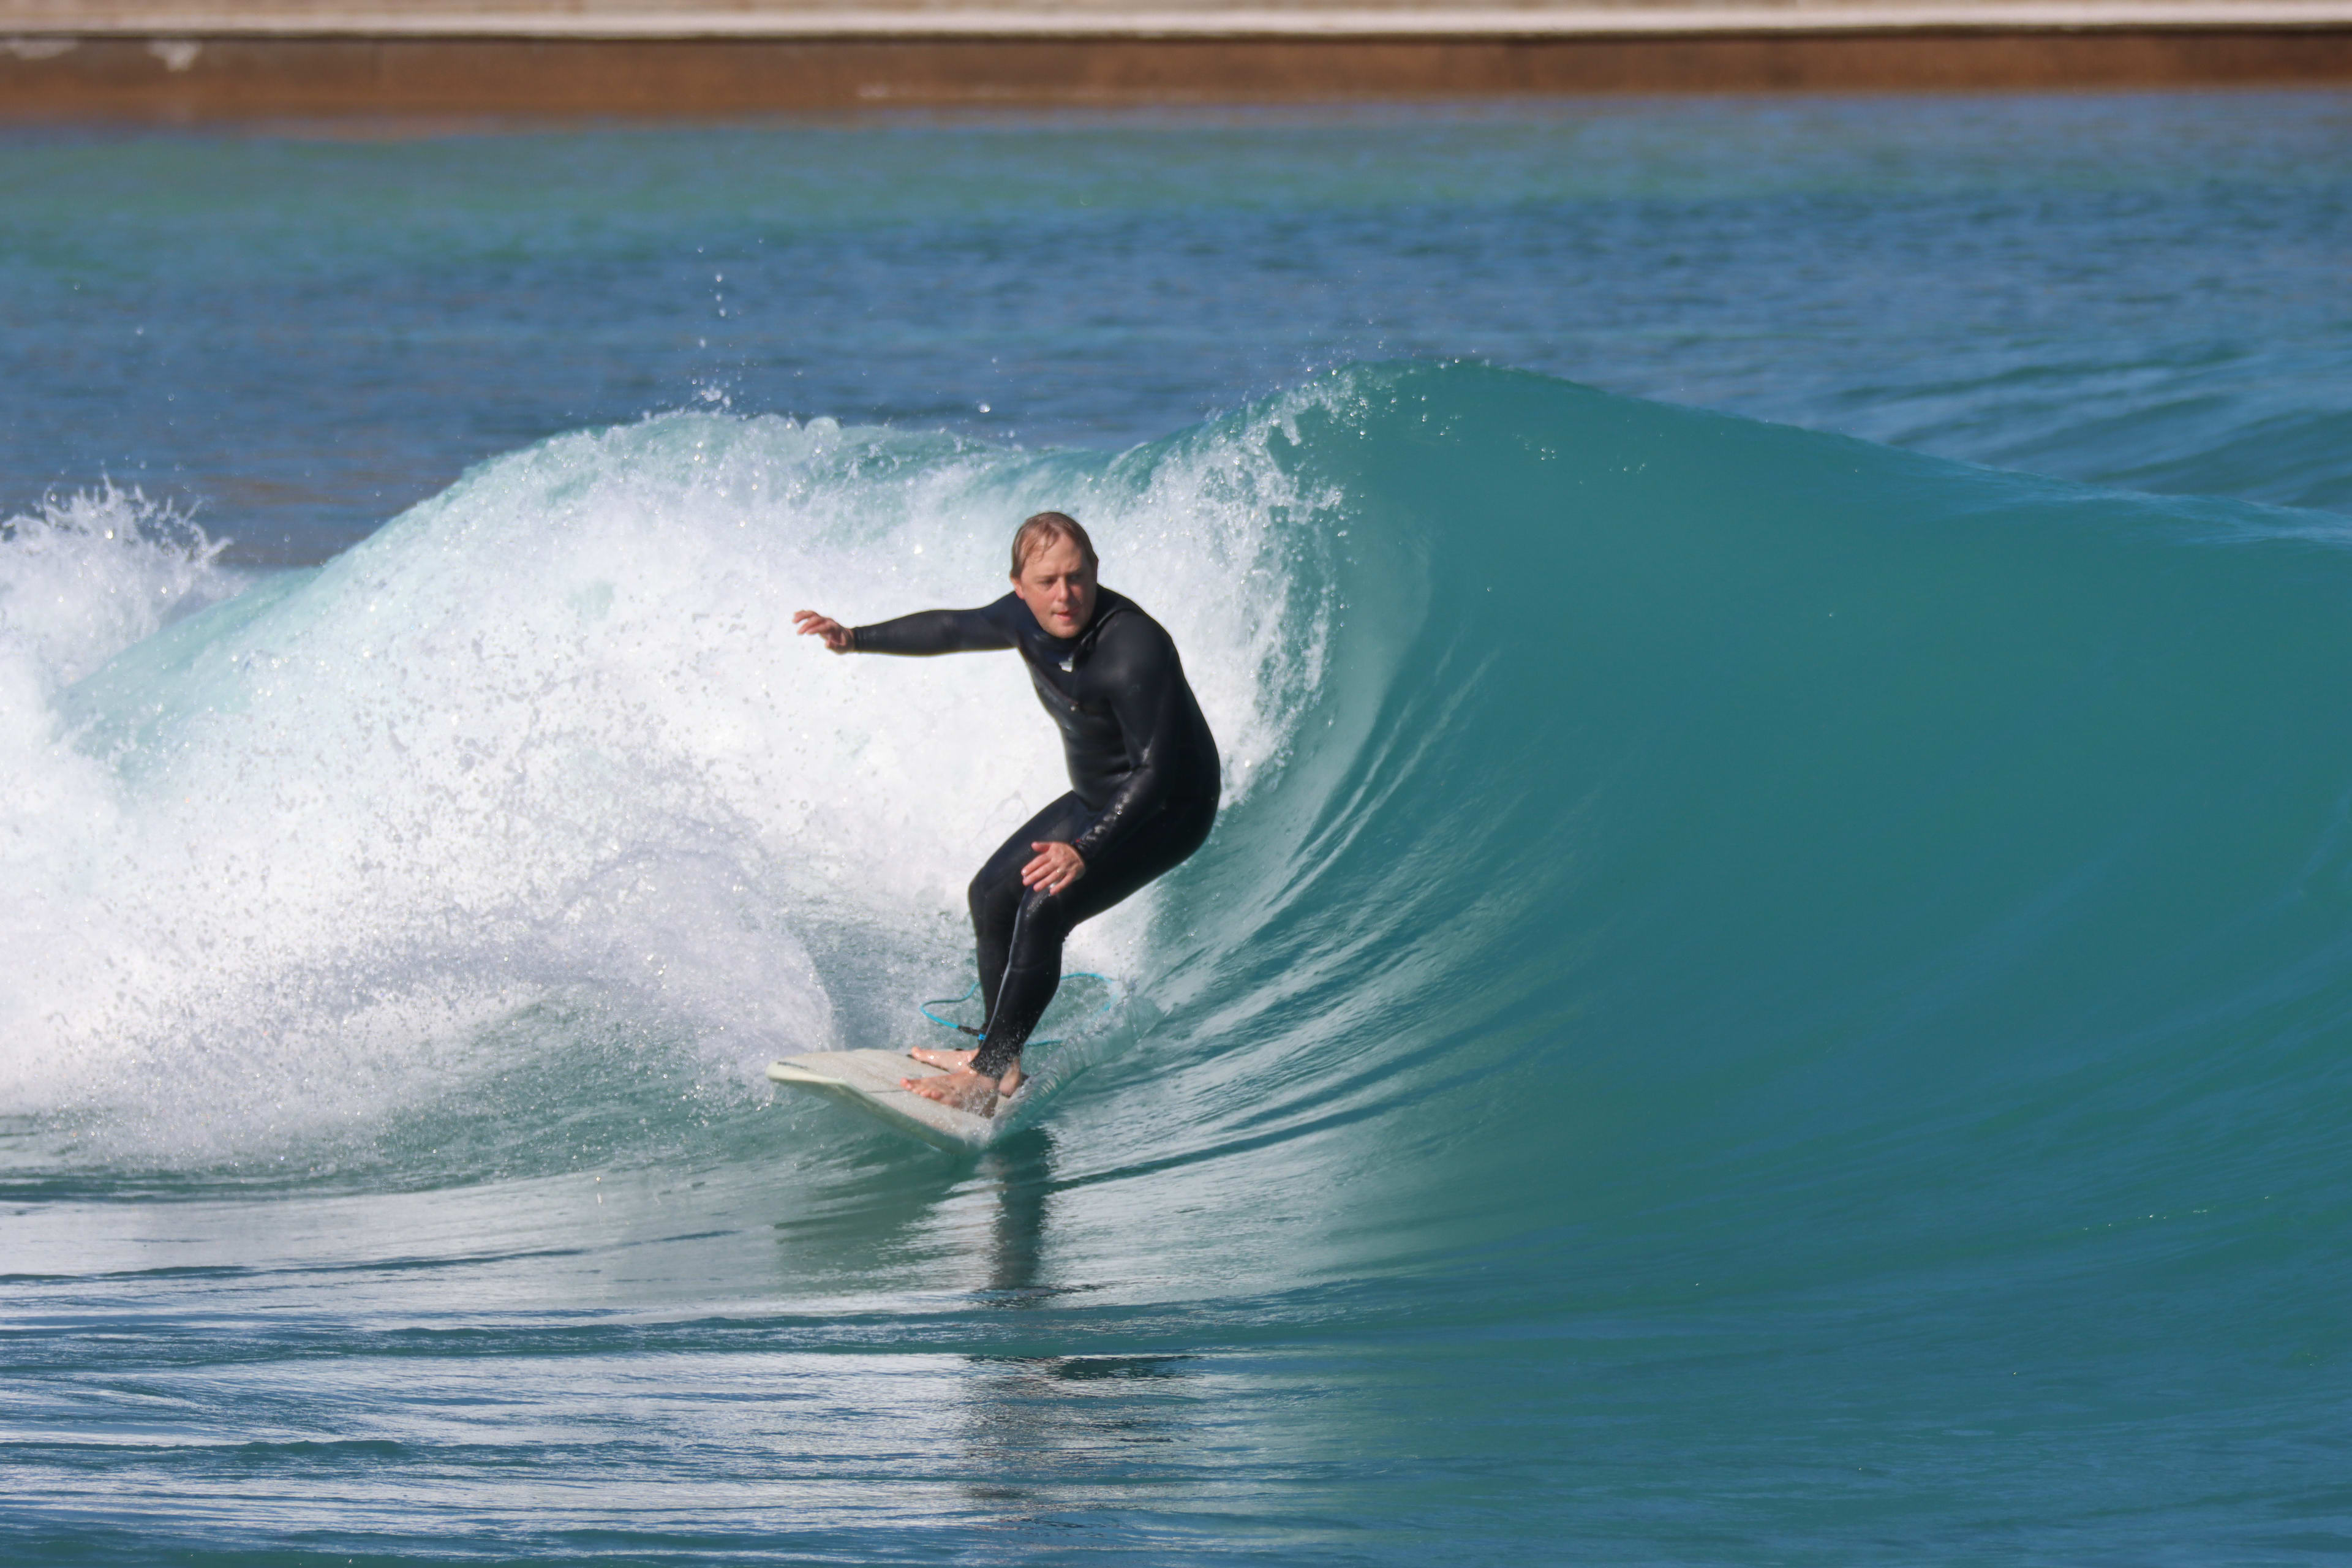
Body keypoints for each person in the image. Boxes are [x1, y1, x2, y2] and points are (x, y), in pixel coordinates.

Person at [793, 512, 1219, 1116]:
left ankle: (987, 1075)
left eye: (1076, 577)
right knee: (993, 892)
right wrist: (855, 637)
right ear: (1019, 586)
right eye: (1047, 581)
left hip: (1170, 808)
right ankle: (1003, 1059)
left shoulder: (1133, 645)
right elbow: (951, 628)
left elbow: (1155, 774)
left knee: (1045, 907)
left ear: (1096, 572)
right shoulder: (1023, 617)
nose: (1064, 595)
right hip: (1102, 799)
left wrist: (1086, 850)